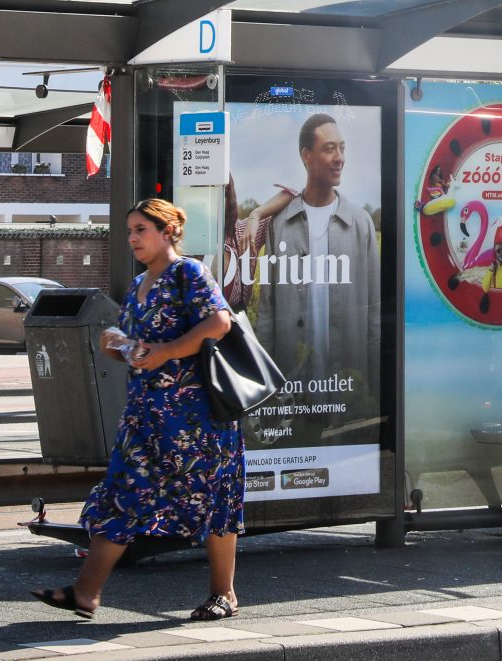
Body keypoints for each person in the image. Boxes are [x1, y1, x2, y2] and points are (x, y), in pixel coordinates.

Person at [32, 199, 246, 622]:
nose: (132, 238)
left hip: (195, 415)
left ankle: (224, 593)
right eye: (129, 230)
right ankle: (86, 592)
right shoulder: (137, 285)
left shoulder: (189, 273)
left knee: (214, 498)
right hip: (146, 414)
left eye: (140, 229)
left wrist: (166, 351)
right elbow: (132, 344)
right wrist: (116, 344)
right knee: (121, 493)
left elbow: (219, 322)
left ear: (167, 231)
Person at [252, 113, 380, 402]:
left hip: (348, 388)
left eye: (342, 148)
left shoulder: (361, 224)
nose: (339, 158)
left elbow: (375, 316)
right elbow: (267, 312)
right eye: (329, 148)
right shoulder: (280, 224)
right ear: (306, 156)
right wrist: (264, 391)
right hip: (291, 390)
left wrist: (373, 390)